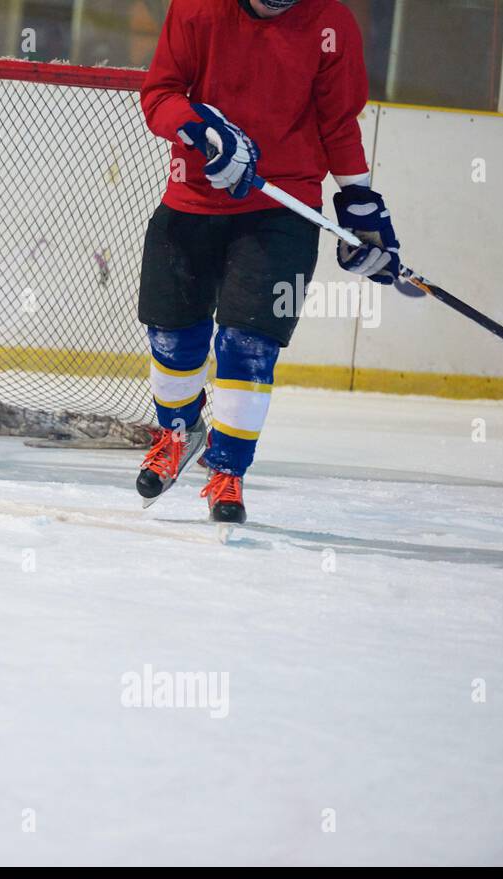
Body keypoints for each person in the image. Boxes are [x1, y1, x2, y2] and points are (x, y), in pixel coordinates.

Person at [135, 0, 401, 522]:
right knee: (171, 334)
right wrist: (201, 130)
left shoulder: (331, 22)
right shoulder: (197, 9)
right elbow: (159, 96)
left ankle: (228, 472)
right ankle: (180, 429)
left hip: (284, 207)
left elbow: (339, 122)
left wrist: (359, 205)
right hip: (191, 202)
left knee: (249, 342)